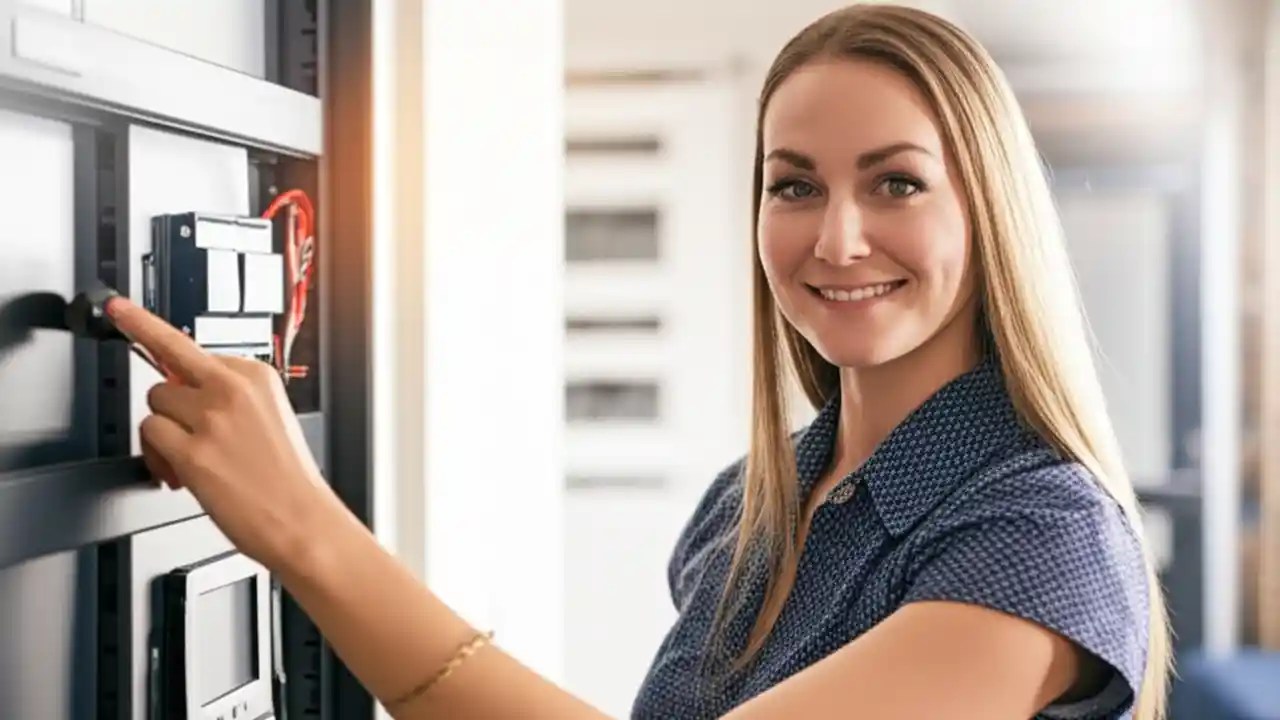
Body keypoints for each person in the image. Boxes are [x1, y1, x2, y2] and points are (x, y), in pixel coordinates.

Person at [109, 4, 1170, 719]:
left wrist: (304, 528)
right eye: (792, 185)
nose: (834, 239)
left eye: (894, 184)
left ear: (986, 212)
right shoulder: (748, 509)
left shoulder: (1041, 539)